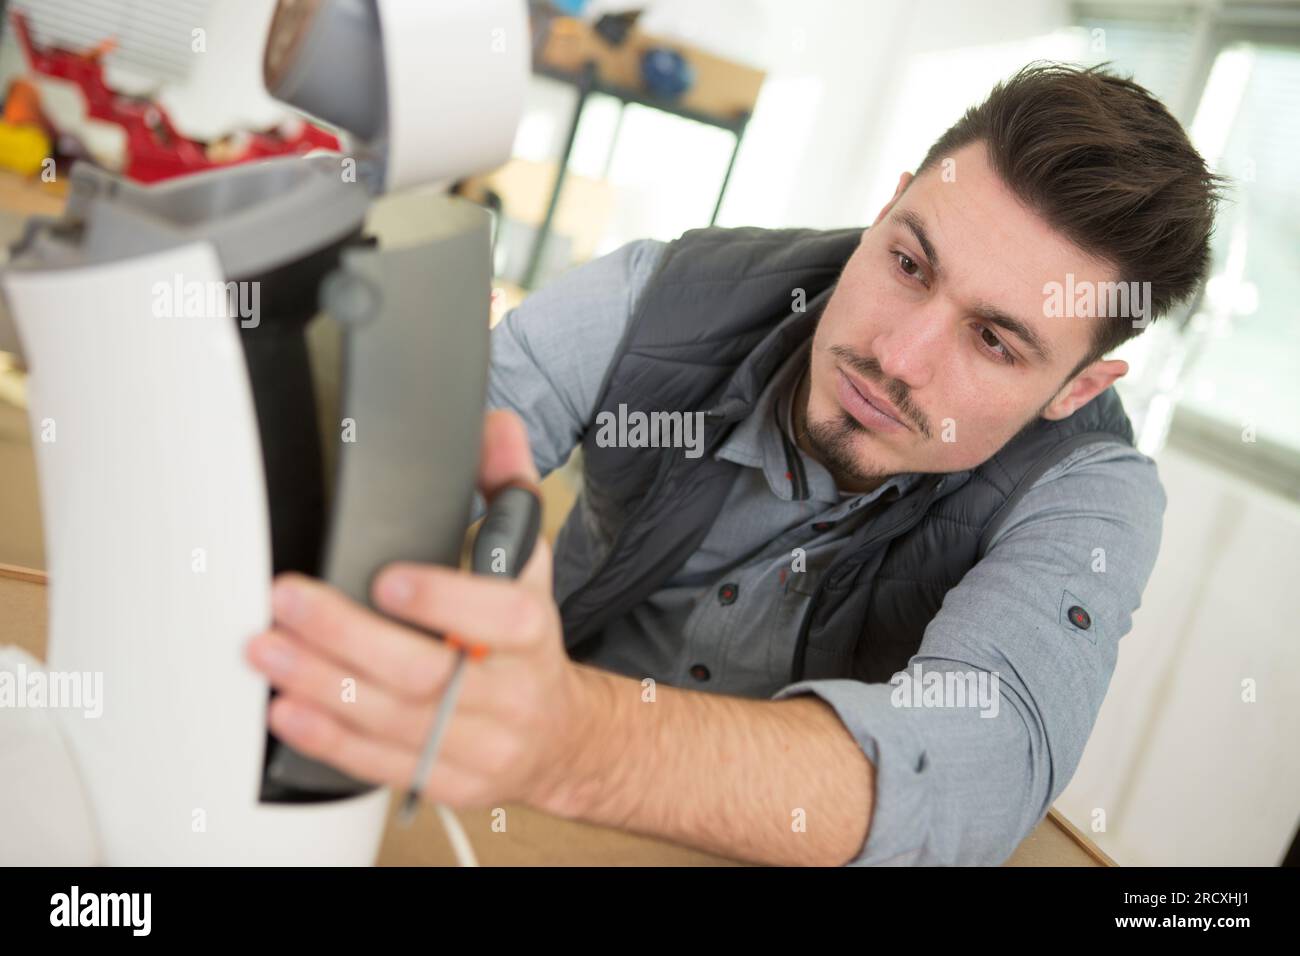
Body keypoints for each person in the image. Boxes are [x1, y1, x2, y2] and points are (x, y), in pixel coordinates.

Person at [245, 62, 1224, 866]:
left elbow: (981, 760)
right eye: (909, 263)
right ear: (885, 209)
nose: (899, 355)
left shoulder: (1089, 496)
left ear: (1076, 389)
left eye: (996, 341)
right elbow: (394, 467)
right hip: (524, 815)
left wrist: (569, 739)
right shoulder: (666, 294)